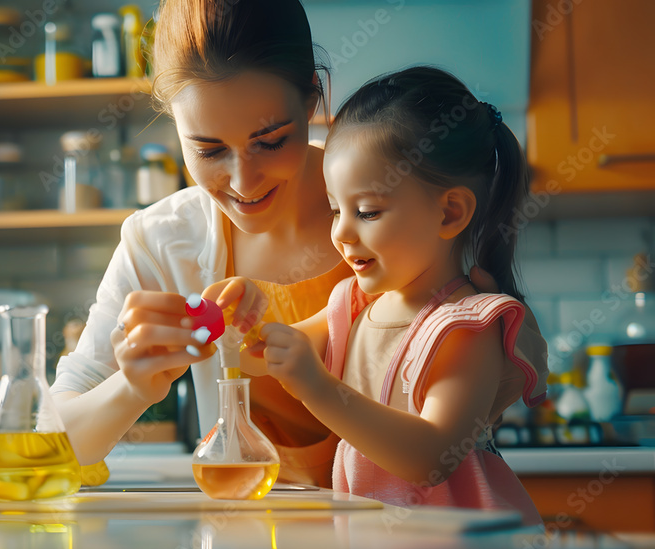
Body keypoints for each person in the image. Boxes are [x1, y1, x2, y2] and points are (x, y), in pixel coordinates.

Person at [50, 0, 538, 489]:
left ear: (312, 100)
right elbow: (53, 446)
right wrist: (134, 387)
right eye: (208, 149)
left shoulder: (405, 198)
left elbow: (467, 406)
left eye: (270, 140)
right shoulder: (160, 239)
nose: (243, 181)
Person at [215, 66, 548, 524]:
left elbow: (431, 457)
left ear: (450, 212)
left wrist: (317, 386)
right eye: (335, 209)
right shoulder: (350, 305)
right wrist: (232, 321)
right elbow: (264, 353)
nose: (342, 232)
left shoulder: (469, 327)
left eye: (367, 211)